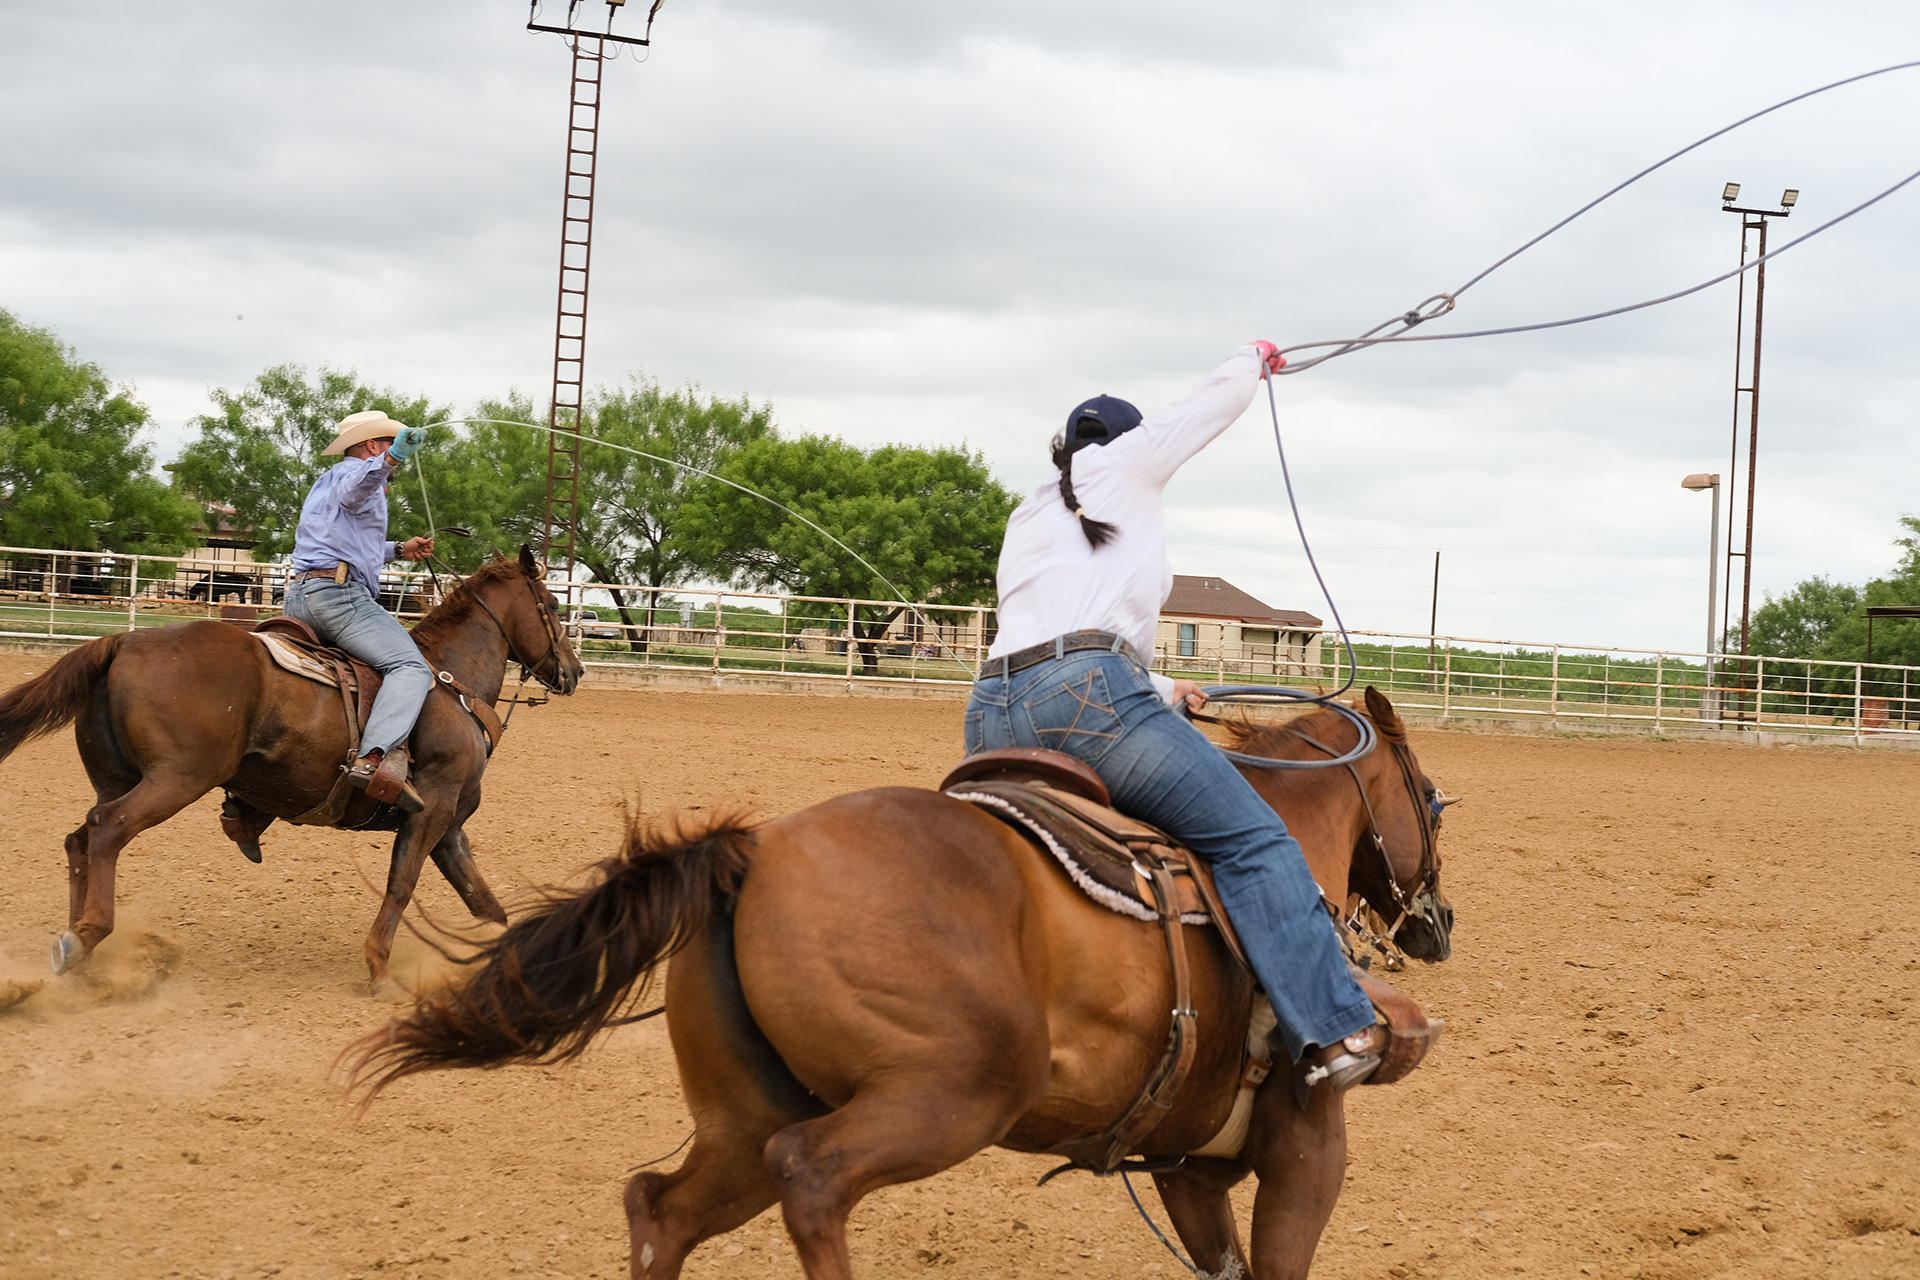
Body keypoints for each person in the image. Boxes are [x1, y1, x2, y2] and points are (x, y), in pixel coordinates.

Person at [965, 340, 1424, 1102]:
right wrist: (1253, 361)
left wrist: (1159, 683)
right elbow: (1201, 411)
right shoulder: (1124, 467)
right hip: (1091, 700)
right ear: (1123, 445)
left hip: (991, 713)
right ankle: (1335, 1029)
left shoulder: (1031, 511)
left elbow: (1055, 627)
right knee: (1253, 841)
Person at [283, 410, 436, 812]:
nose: (390, 454)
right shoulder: (362, 474)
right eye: (387, 442)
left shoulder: (325, 479)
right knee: (410, 667)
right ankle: (373, 759)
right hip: (338, 599)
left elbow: (342, 540)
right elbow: (357, 491)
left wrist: (399, 550)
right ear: (373, 445)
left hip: (299, 597)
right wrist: (391, 460)